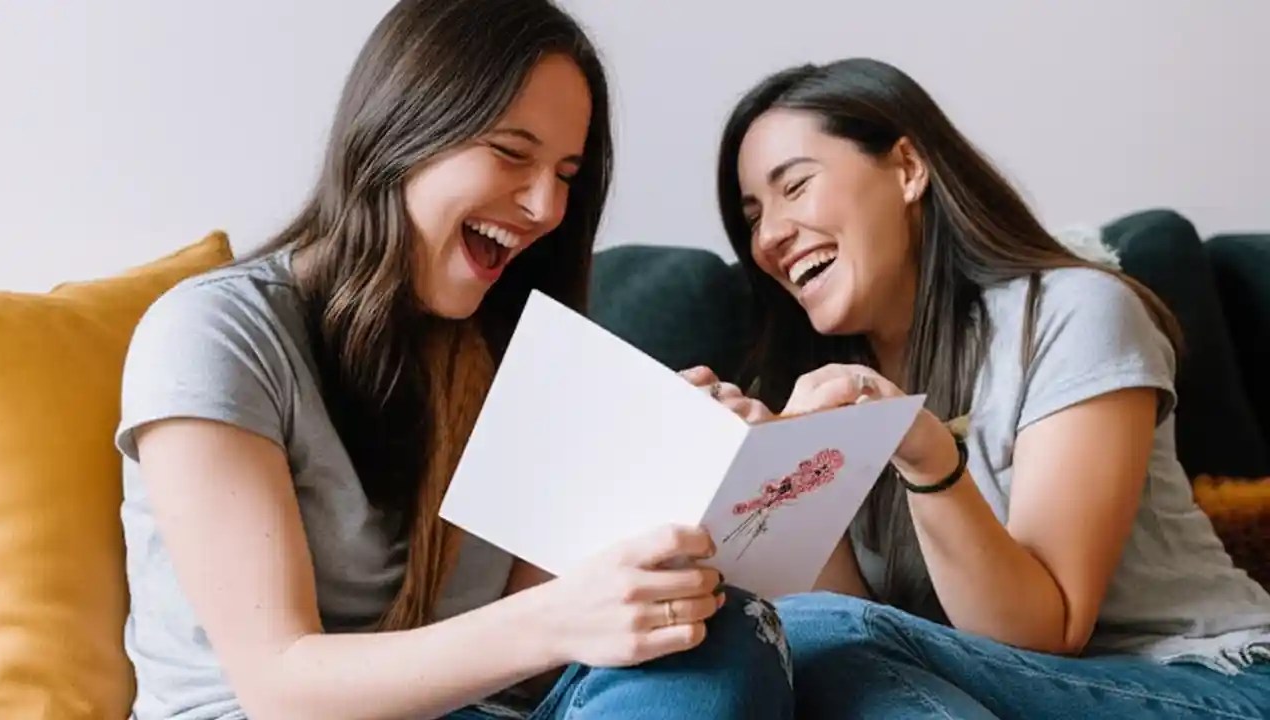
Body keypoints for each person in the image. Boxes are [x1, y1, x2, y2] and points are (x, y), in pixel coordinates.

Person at [115, 1, 794, 718]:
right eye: (511, 152)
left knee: (731, 637)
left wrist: (664, 475)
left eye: (566, 172)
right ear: (404, 131)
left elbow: (522, 674)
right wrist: (564, 616)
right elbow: (282, 687)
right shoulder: (215, 332)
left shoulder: (507, 356)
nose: (544, 206)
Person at [692, 56, 1270, 718]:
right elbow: (855, 621)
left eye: (793, 188)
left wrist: (927, 456)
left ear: (908, 169)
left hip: (1205, 680)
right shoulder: (817, 382)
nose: (768, 237)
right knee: (815, 651)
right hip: (990, 691)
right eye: (752, 216)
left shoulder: (1073, 313)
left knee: (826, 641)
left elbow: (1046, 633)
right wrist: (777, 483)